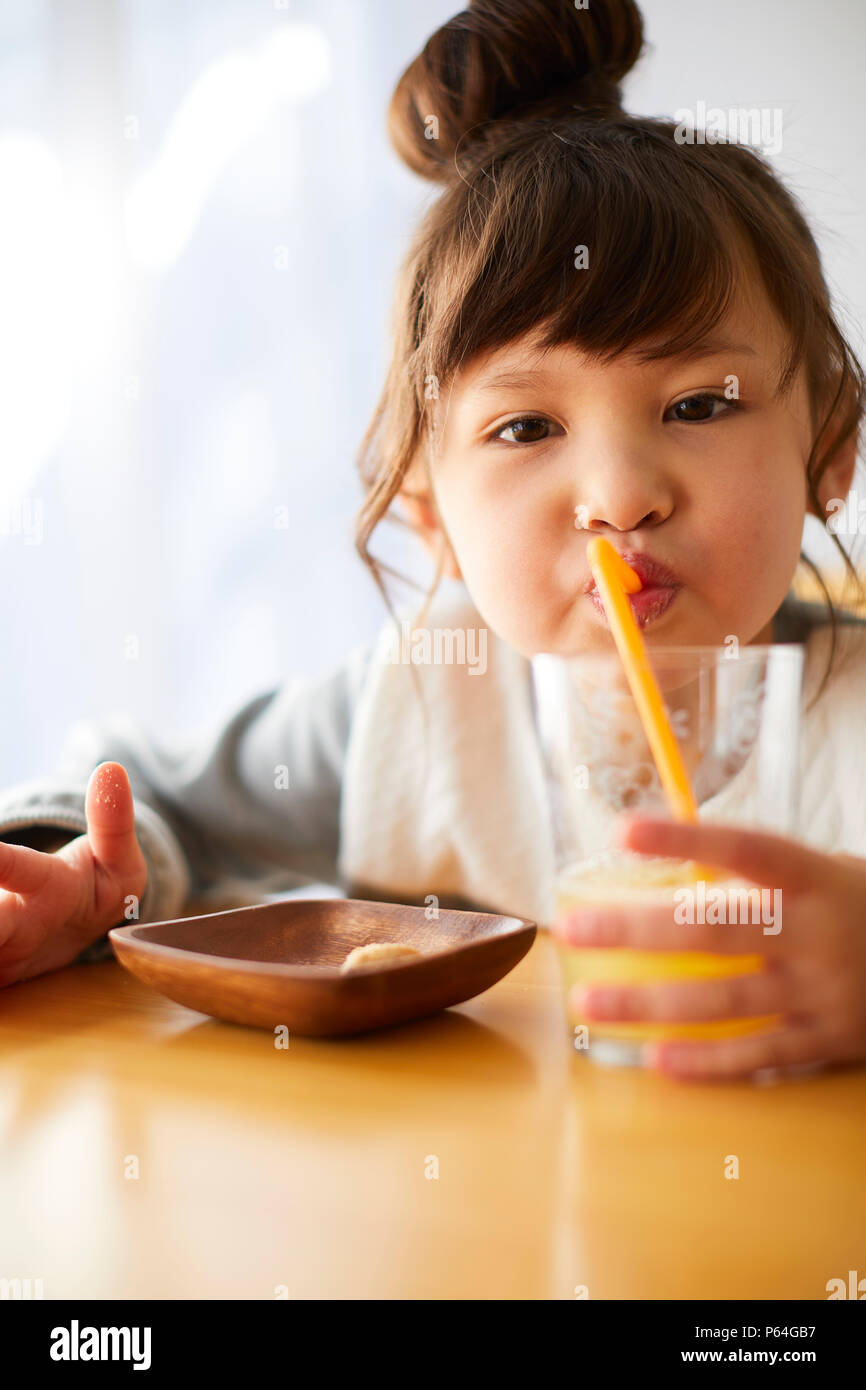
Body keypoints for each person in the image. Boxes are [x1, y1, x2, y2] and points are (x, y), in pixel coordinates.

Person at [1, 0, 865, 1081]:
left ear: (827, 444)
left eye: (695, 405)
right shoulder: (416, 705)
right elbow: (157, 801)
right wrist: (82, 884)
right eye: (524, 427)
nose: (617, 497)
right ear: (431, 515)